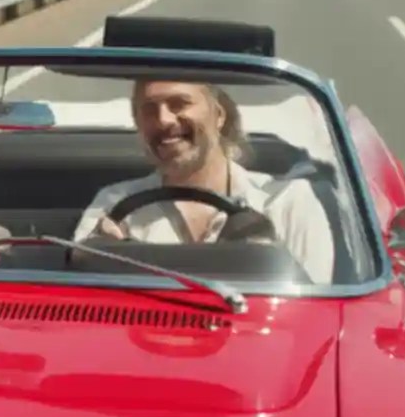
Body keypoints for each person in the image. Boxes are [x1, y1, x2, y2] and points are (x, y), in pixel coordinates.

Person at [73, 79, 335, 284]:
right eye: (149, 109)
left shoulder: (286, 202)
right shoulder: (113, 205)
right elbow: (84, 299)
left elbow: (315, 313)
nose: (163, 119)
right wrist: (101, 253)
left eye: (179, 104)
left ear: (219, 115)